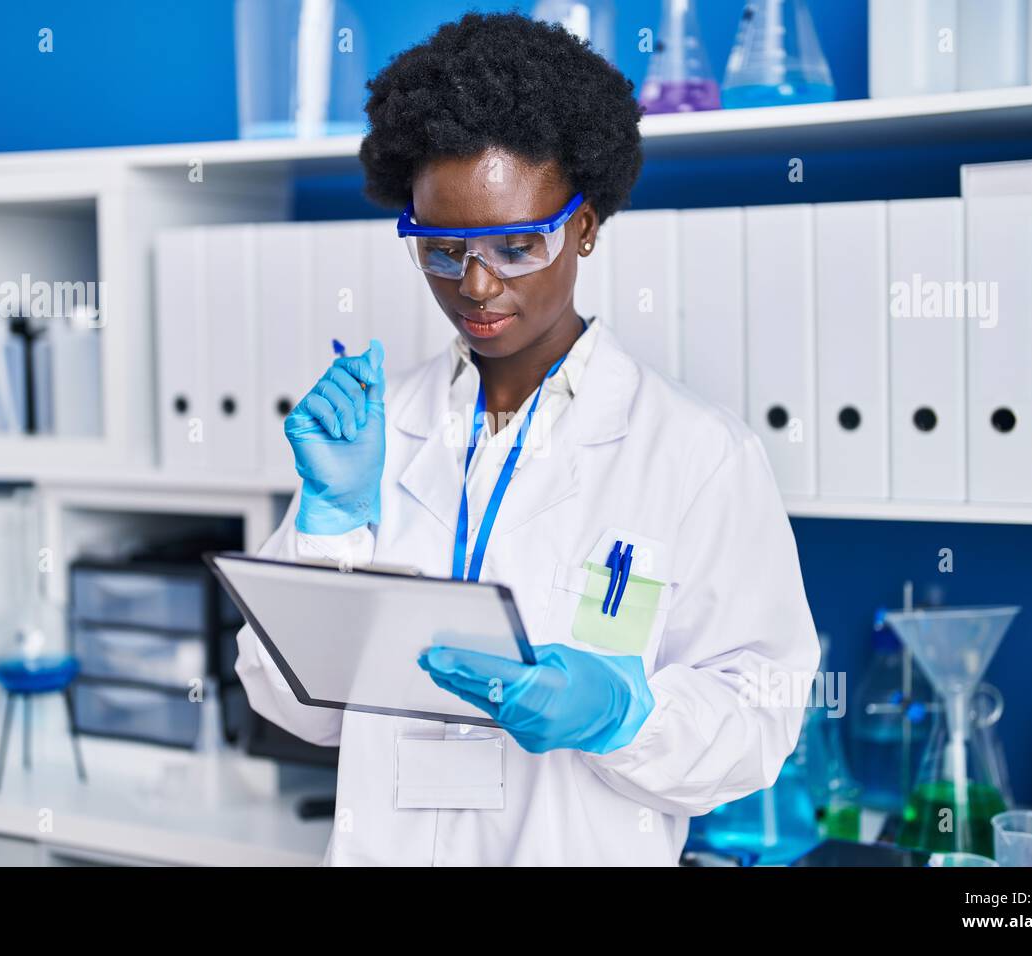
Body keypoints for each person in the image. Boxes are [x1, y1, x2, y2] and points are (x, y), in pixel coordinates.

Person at [235, 11, 819, 866]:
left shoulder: (696, 455)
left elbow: (761, 719)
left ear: (585, 225)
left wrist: (627, 718)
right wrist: (328, 520)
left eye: (517, 244)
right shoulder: (375, 432)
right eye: (441, 248)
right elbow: (289, 703)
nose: (476, 285)